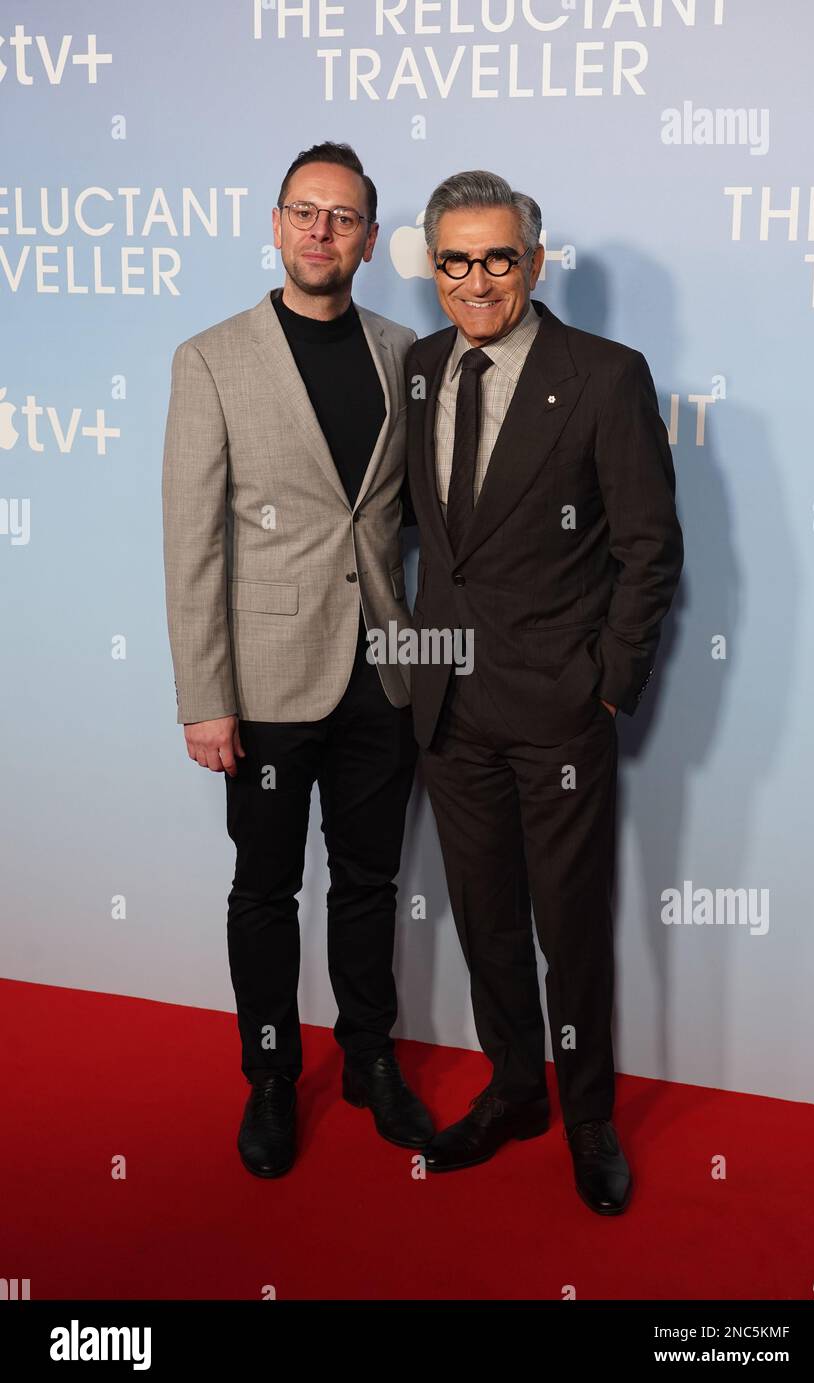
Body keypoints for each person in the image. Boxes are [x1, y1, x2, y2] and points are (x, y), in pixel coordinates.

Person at [405, 170, 684, 1214]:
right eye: (454, 259)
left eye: (496, 256)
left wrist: (606, 686)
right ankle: (514, 1088)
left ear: (533, 256)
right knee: (484, 920)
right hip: (447, 708)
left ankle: (588, 1116)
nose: (476, 279)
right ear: (432, 267)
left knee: (569, 926)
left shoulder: (603, 375)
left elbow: (648, 547)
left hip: (558, 709)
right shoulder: (423, 369)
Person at [162, 141, 433, 1179]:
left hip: (383, 671)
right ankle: (271, 1077)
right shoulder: (211, 358)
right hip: (267, 678)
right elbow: (191, 540)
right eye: (304, 212)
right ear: (275, 225)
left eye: (344, 217)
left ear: (368, 239)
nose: (322, 232)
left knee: (370, 878)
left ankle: (369, 1058)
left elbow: (416, 518)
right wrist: (204, 698)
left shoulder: (404, 352)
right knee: (264, 885)